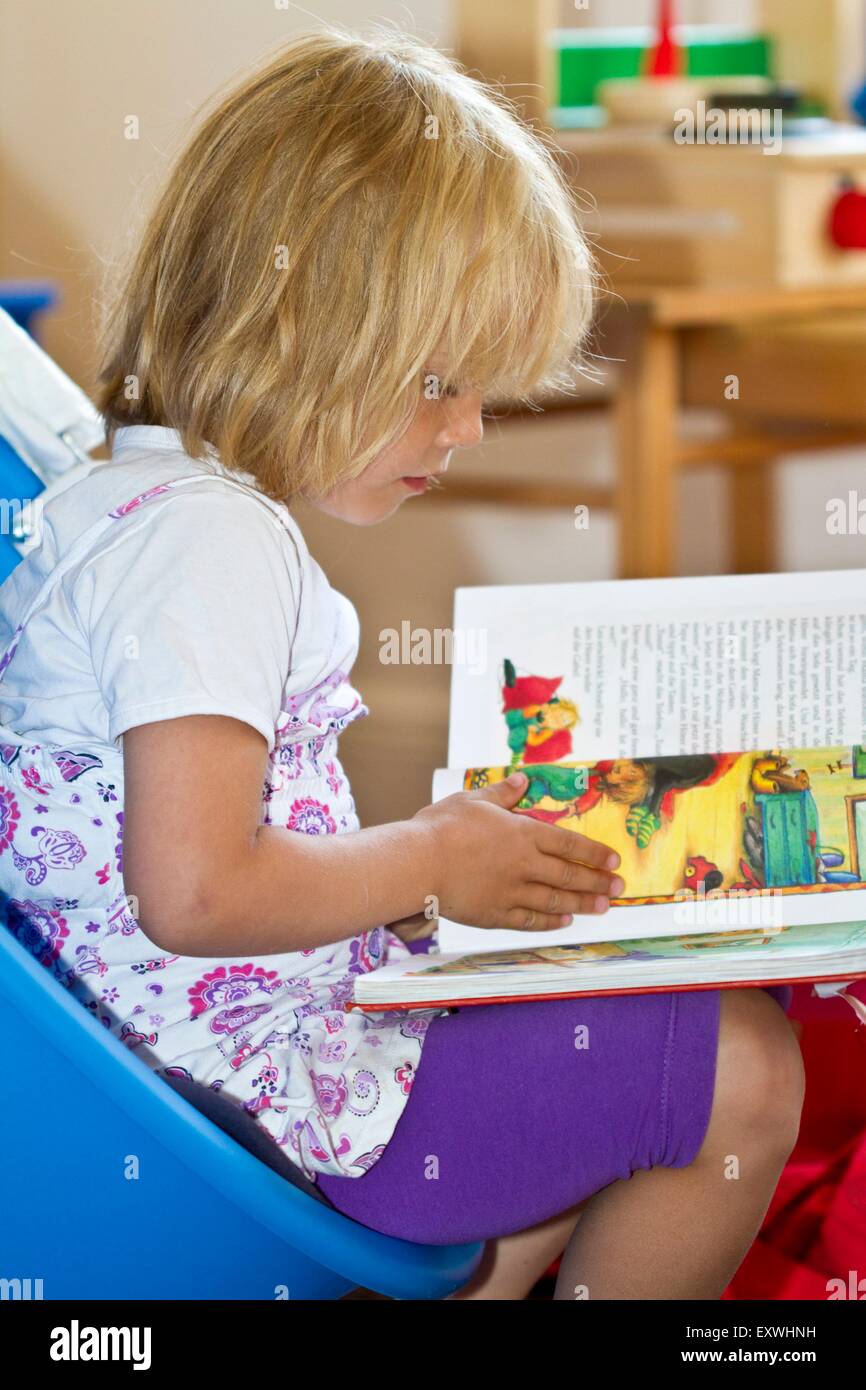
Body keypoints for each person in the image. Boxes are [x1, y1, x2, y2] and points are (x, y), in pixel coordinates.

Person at [0, 26, 803, 1300]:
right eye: (439, 379)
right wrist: (429, 856)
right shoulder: (209, 544)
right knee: (744, 1067)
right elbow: (197, 892)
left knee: (582, 1054)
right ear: (293, 321)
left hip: (219, 1054)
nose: (469, 425)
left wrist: (437, 881)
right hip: (250, 1093)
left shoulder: (147, 507)